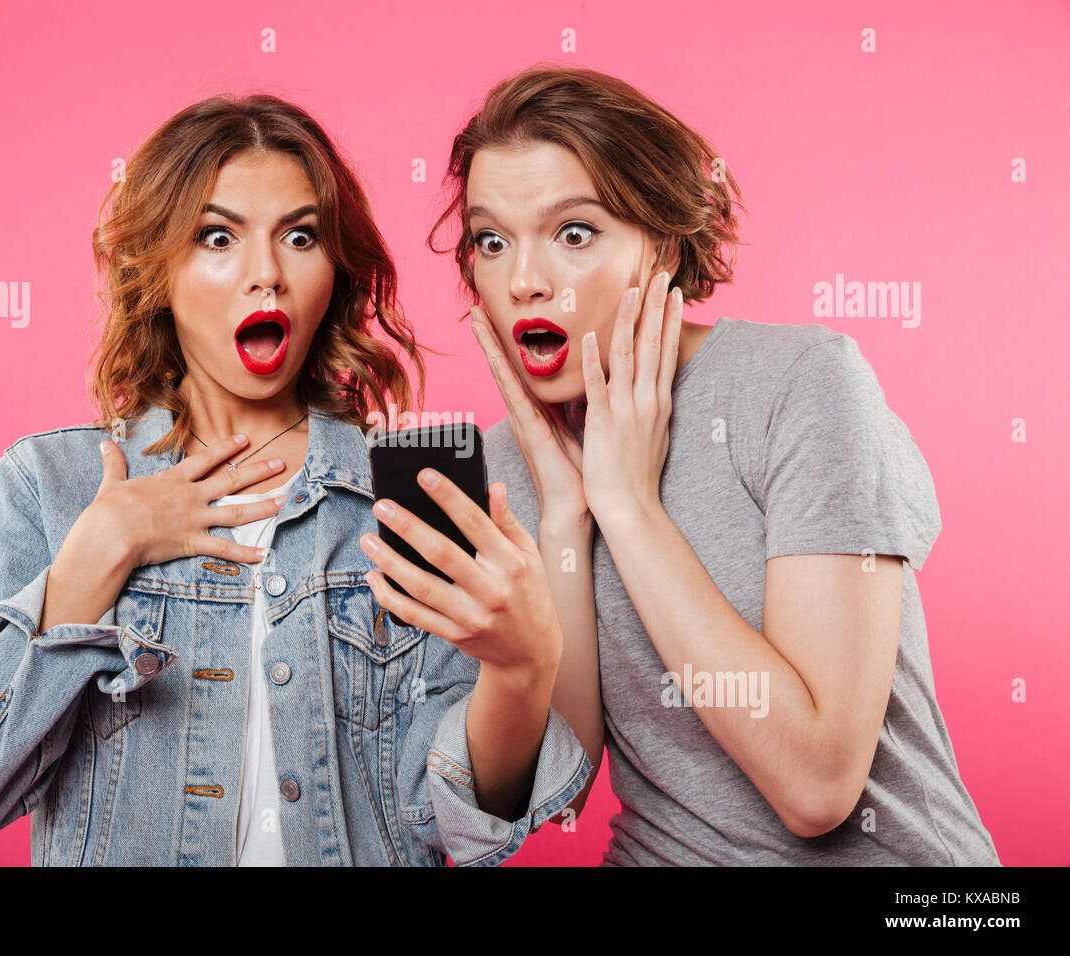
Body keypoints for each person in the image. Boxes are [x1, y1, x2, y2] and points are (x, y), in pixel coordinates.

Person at [0, 92, 590, 867]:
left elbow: (452, 829)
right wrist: (99, 553)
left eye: (299, 236)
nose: (266, 275)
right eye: (217, 237)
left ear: (336, 270)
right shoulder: (49, 487)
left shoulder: (406, 502)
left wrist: (521, 669)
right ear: (156, 270)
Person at [428, 63, 1001, 865]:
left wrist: (626, 505)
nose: (524, 281)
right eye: (492, 241)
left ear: (661, 246)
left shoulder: (800, 385)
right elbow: (558, 787)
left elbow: (816, 785)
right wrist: (564, 515)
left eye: (574, 232)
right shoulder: (511, 465)